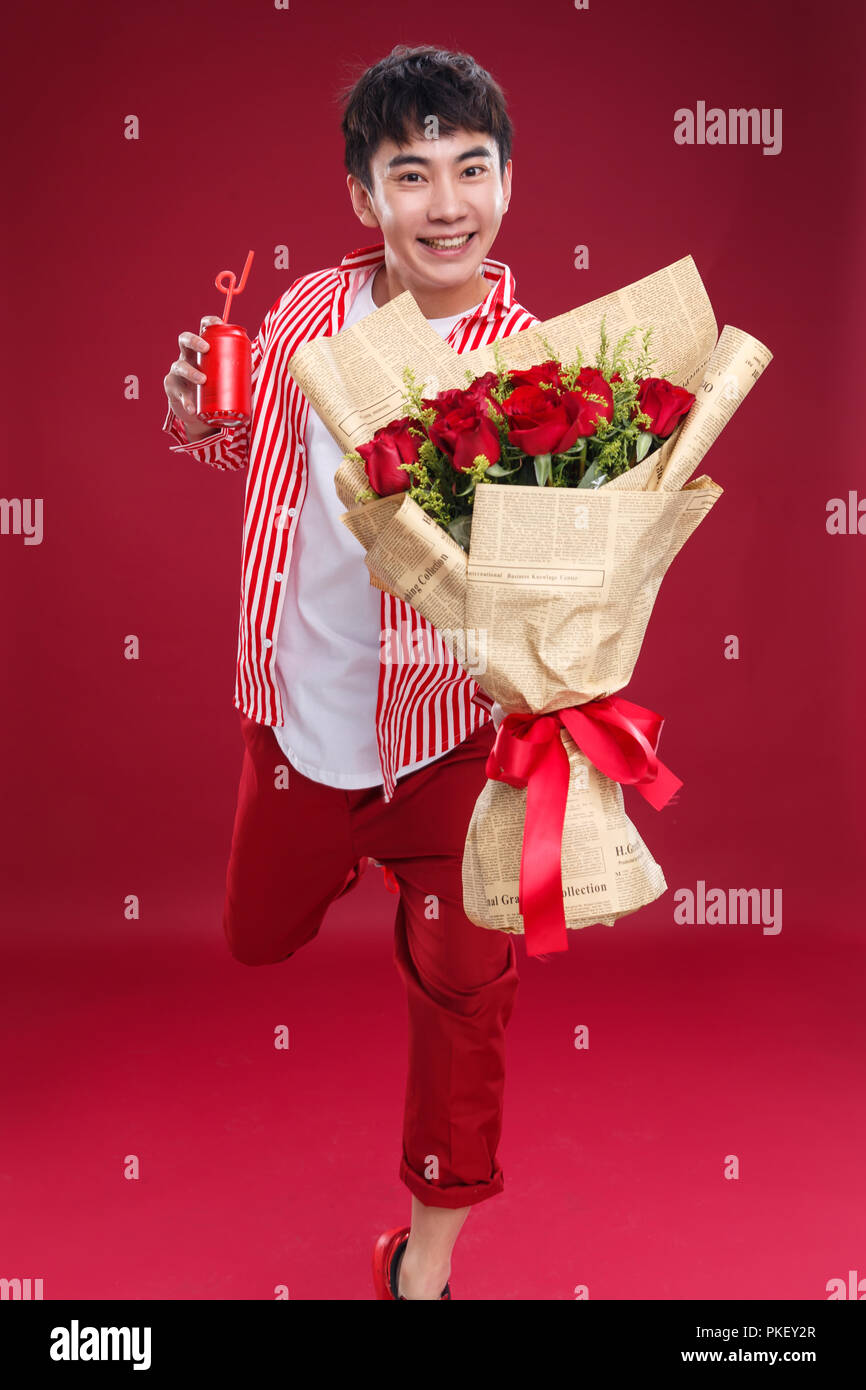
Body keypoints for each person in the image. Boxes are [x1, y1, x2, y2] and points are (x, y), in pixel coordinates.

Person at [162, 43, 540, 1300]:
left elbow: (566, 551)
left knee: (465, 993)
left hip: (448, 737)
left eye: (470, 170)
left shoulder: (537, 357)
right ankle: (345, 850)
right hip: (301, 714)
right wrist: (195, 411)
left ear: (505, 182)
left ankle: (421, 1267)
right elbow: (237, 451)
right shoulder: (305, 313)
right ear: (362, 196)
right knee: (254, 938)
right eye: (411, 173)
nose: (446, 203)